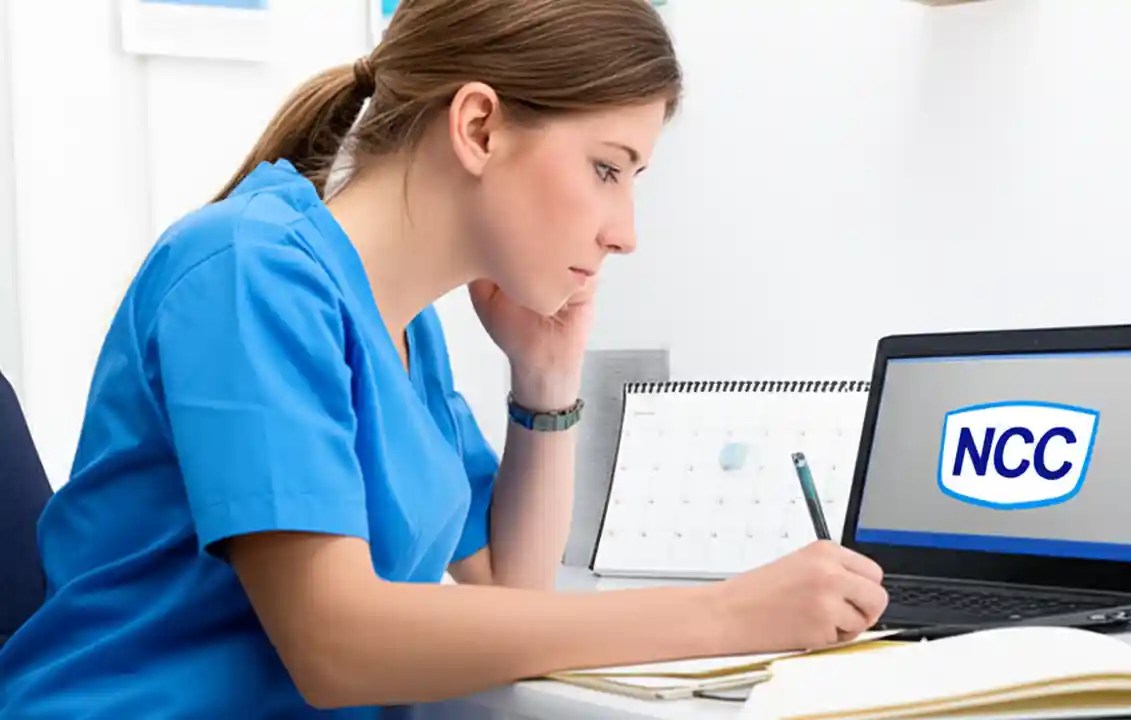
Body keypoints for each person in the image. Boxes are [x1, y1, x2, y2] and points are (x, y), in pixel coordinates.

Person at [0, 0, 889, 717]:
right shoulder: (250, 273)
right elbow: (334, 643)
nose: (624, 235)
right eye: (608, 170)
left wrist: (544, 382)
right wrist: (724, 614)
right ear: (478, 127)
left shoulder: (405, 329)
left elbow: (511, 586)